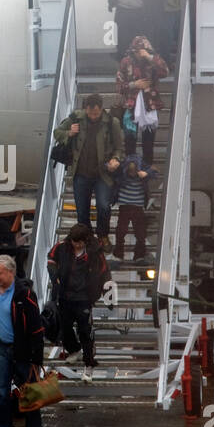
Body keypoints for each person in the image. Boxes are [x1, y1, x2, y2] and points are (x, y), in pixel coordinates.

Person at [0, 255, 46, 427]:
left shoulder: (24, 294)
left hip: (23, 351)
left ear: (10, 272)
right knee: (1, 393)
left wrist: (36, 358)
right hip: (1, 348)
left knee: (28, 394)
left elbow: (36, 327)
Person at [54, 93, 124, 241]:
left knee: (104, 206)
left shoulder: (112, 122)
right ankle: (87, 238)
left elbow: (119, 148)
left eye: (96, 113)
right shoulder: (76, 118)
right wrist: (69, 132)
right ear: (86, 108)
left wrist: (116, 159)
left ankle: (103, 235)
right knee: (82, 211)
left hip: (102, 174)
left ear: (101, 109)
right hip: (80, 173)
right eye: (90, 113)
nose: (93, 116)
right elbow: (57, 133)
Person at [47, 223, 113, 370]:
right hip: (64, 295)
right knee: (64, 327)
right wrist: (54, 276)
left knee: (85, 328)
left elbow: (105, 273)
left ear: (86, 240)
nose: (76, 245)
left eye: (79, 242)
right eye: (74, 242)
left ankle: (89, 357)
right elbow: (51, 260)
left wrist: (108, 295)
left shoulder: (95, 252)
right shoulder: (61, 247)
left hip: (84, 297)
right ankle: (73, 350)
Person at [115, 36, 169, 167]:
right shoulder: (126, 62)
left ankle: (146, 171)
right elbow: (119, 85)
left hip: (149, 104)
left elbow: (165, 72)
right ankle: (130, 172)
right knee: (129, 141)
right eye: (137, 51)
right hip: (130, 106)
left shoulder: (153, 61)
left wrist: (149, 57)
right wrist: (135, 84)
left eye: (142, 51)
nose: (139, 53)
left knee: (148, 142)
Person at [114, 152, 158, 264]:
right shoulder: (122, 174)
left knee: (140, 233)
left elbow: (154, 171)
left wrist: (146, 173)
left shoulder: (141, 173)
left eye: (134, 170)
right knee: (120, 231)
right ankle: (119, 254)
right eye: (130, 171)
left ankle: (139, 255)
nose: (132, 173)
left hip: (138, 207)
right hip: (124, 206)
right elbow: (112, 170)